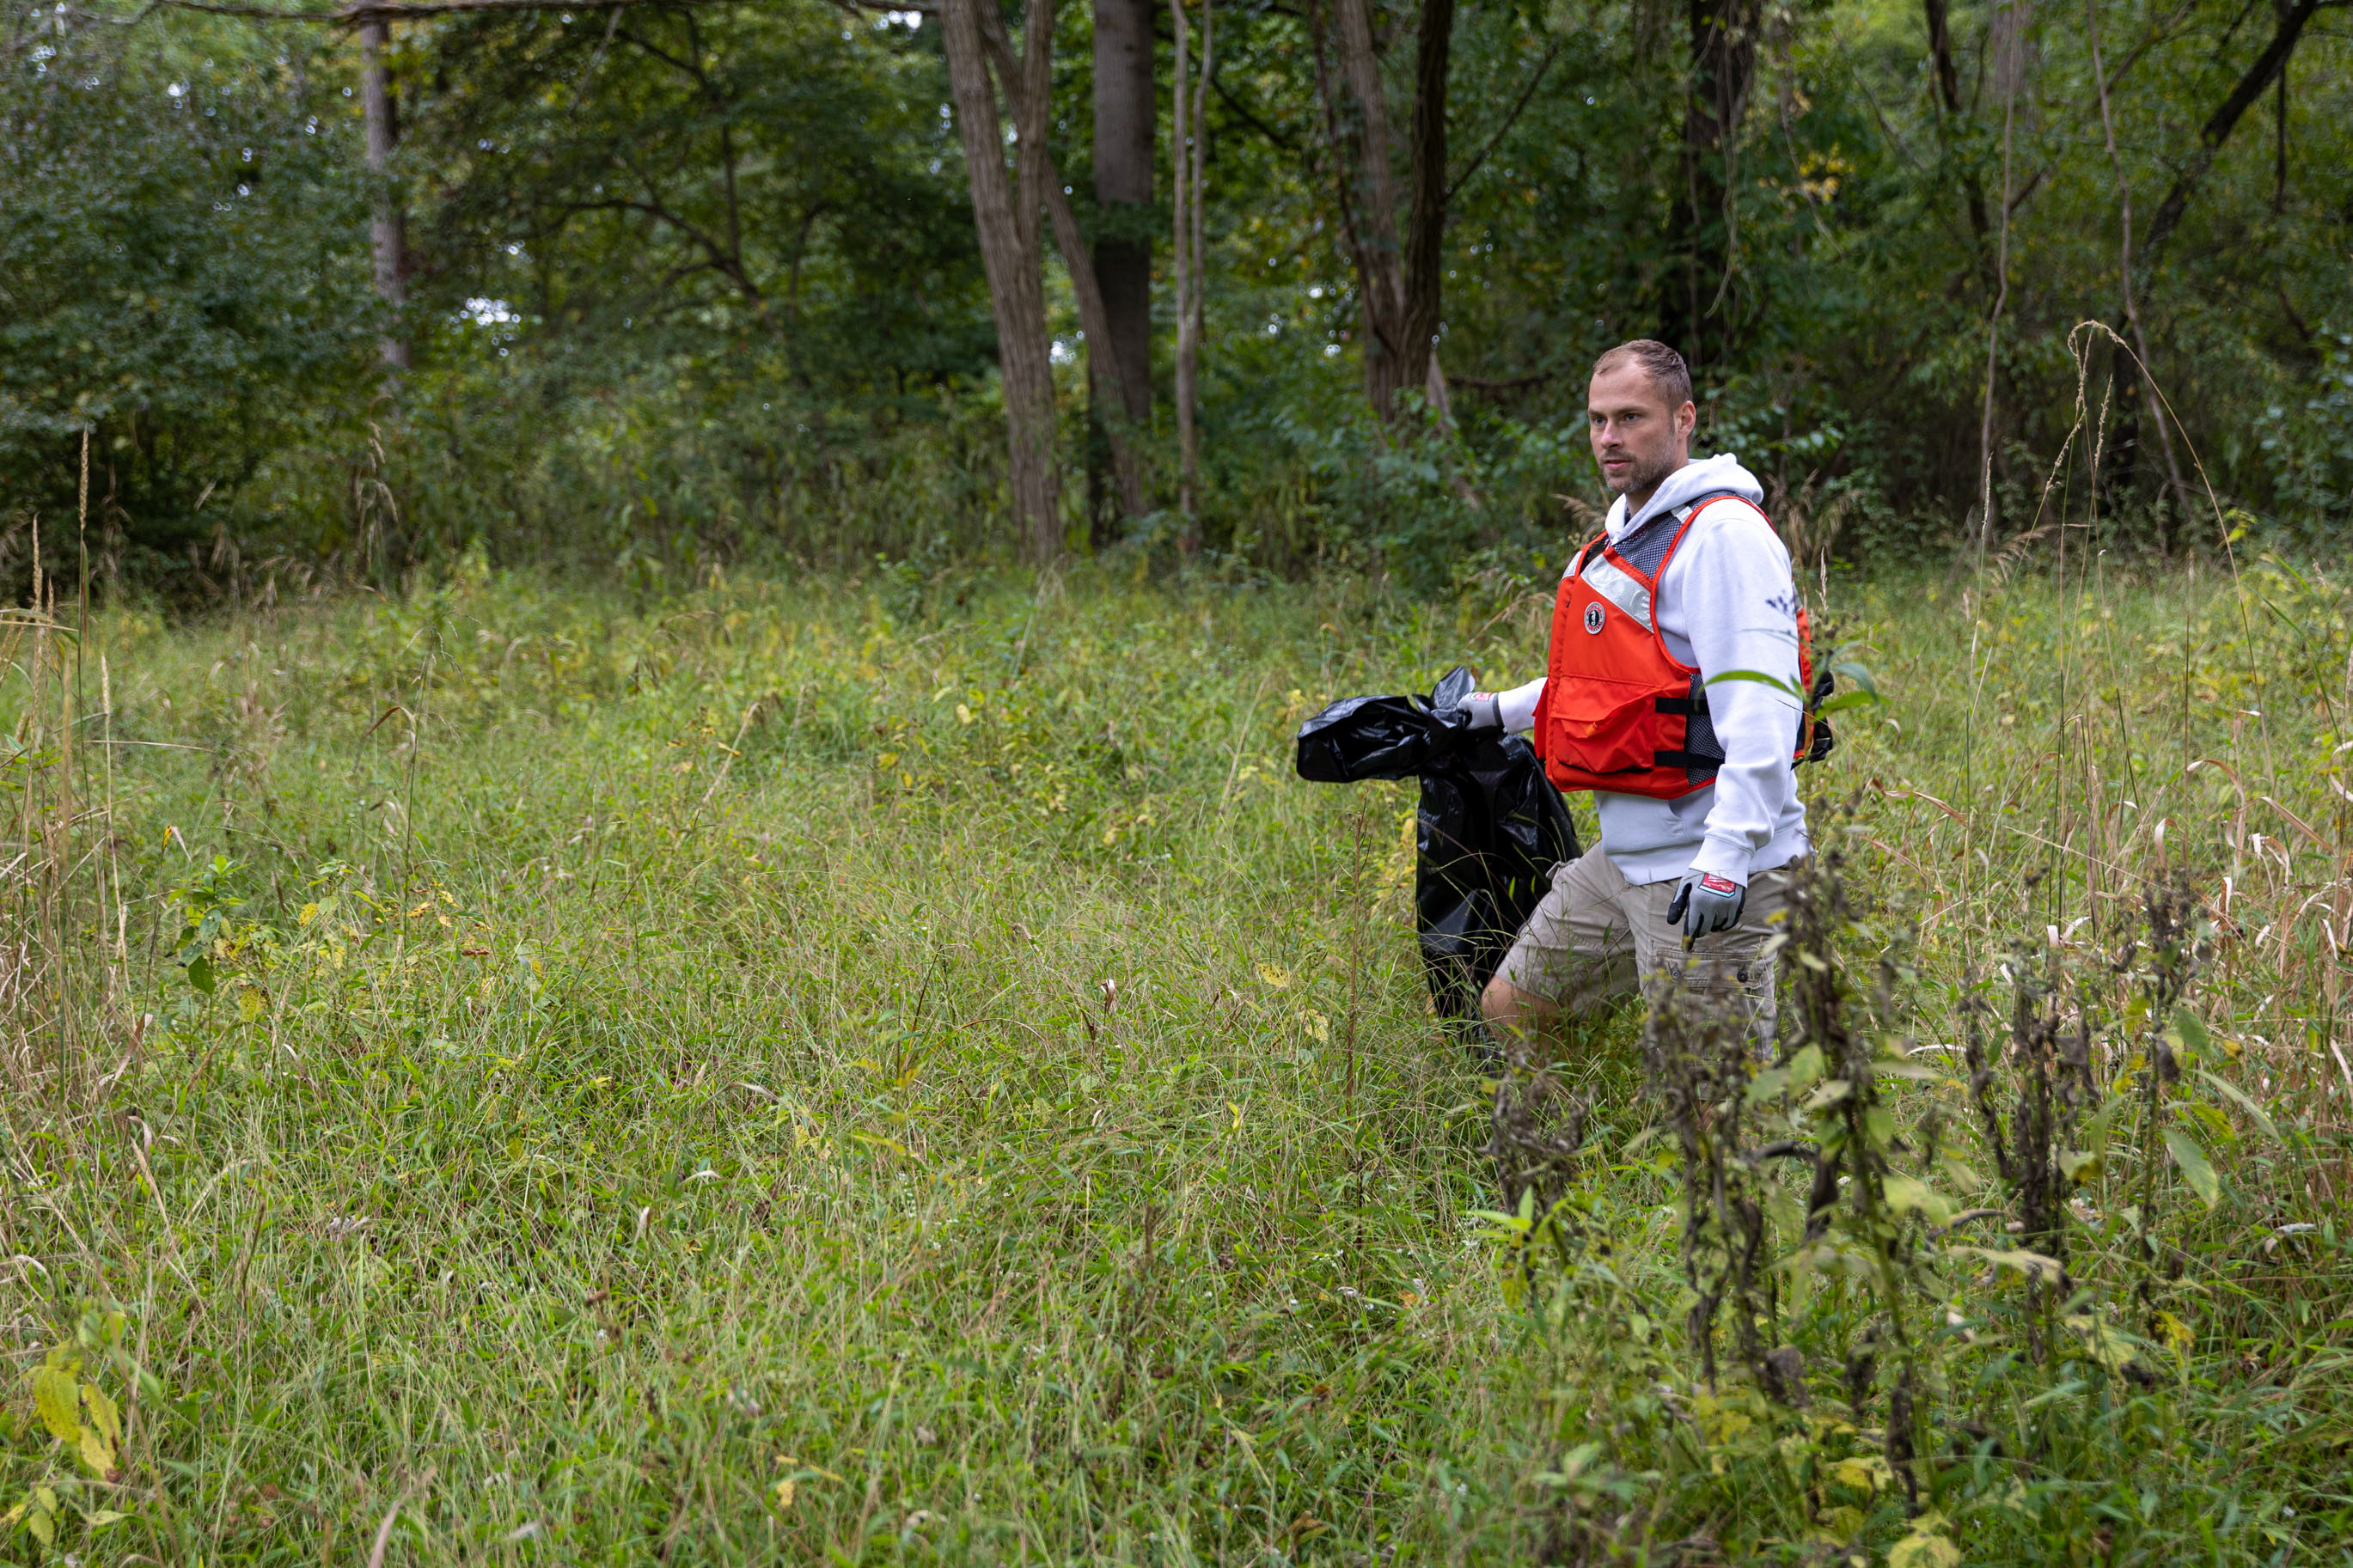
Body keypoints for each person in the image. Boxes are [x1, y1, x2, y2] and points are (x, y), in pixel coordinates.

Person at [1458, 339, 1810, 1052]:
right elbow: (1613, 690)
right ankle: (1561, 1161)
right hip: (1627, 859)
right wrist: (1490, 711)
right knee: (1513, 1004)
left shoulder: (1723, 537)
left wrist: (1726, 859)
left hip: (1712, 868)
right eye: (1596, 420)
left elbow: (1767, 712)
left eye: (1630, 417)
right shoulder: (1622, 536)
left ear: (1684, 419)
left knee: (1712, 1109)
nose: (1609, 438)